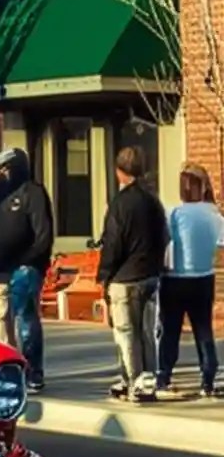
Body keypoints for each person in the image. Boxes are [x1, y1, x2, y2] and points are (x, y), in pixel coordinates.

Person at [97, 146, 170, 402]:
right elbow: (165, 237)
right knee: (147, 331)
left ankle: (131, 378)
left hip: (124, 277)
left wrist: (104, 275)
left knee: (126, 331)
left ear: (119, 172)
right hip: (150, 275)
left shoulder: (120, 204)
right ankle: (148, 378)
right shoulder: (153, 201)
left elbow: (113, 243)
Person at [0, 147, 54, 393]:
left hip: (25, 268)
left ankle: (33, 372)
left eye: (7, 170)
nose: (3, 175)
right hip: (1, 270)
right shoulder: (3, 196)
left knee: (26, 319)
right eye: (0, 172)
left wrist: (31, 260)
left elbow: (43, 234)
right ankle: (6, 370)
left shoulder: (33, 193)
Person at [156, 164, 222, 398]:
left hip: (175, 278)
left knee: (170, 330)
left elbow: (164, 241)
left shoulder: (174, 213)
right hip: (203, 277)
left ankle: (163, 376)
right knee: (203, 330)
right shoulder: (214, 215)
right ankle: (208, 379)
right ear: (203, 187)